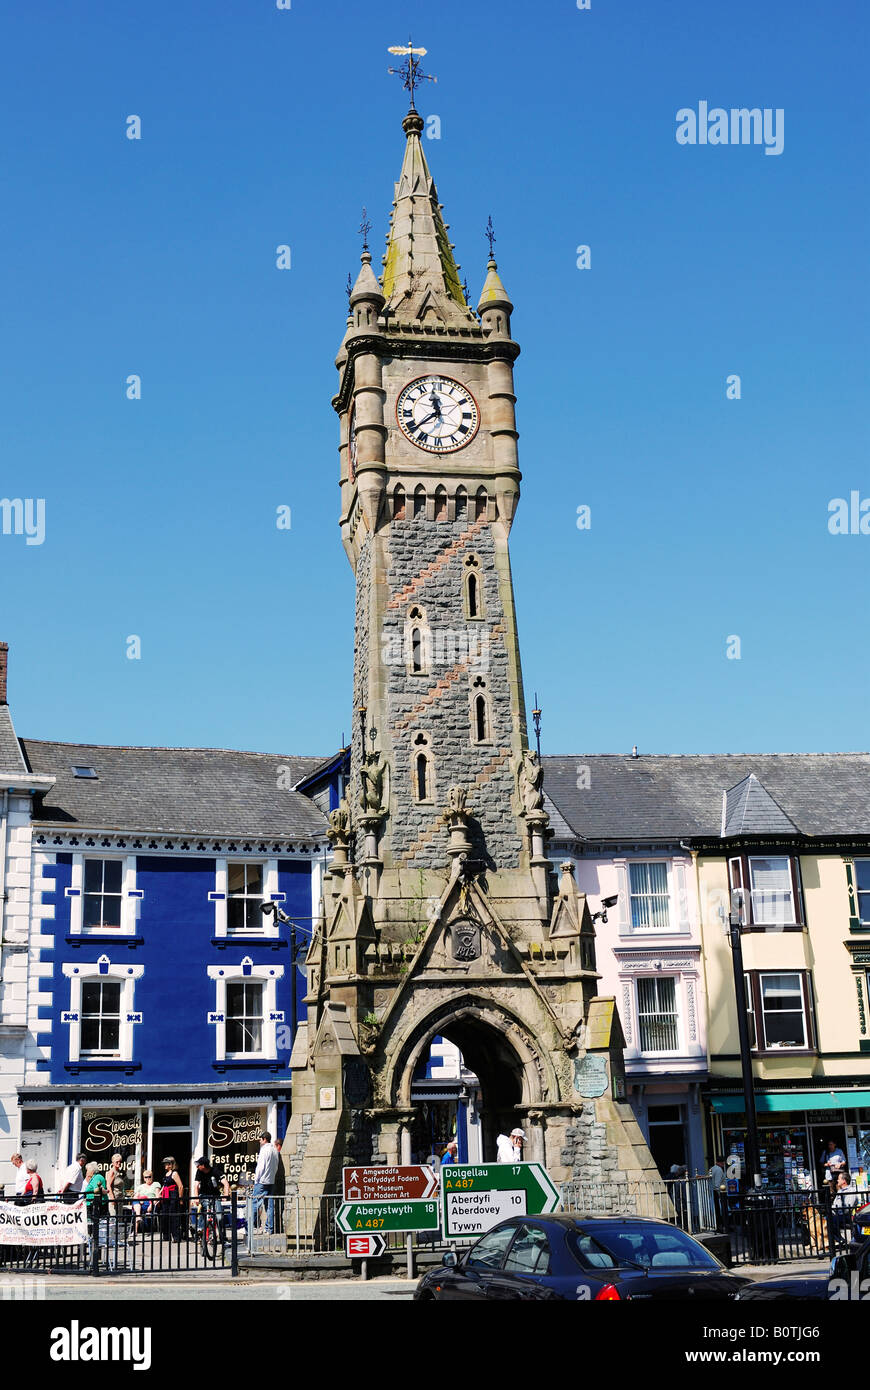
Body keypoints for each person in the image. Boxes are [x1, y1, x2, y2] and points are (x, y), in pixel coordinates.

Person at [193, 1156, 225, 1241]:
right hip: (204, 1195)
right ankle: (200, 1233)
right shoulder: (199, 1171)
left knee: (219, 1217)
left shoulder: (215, 1171)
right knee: (204, 1214)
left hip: (215, 1196)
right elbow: (196, 1185)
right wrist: (196, 1198)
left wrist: (225, 1196)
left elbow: (225, 1183)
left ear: (203, 1165)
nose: (197, 1166)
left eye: (198, 1165)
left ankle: (223, 1238)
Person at [252, 1131, 279, 1234]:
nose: (259, 1141)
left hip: (262, 1181)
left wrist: (256, 1180)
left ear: (264, 1139)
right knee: (270, 1206)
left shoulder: (264, 1150)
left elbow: (260, 1167)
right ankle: (269, 1229)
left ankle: (251, 1227)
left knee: (254, 1204)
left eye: (260, 1139)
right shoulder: (275, 1150)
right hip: (271, 1181)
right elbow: (276, 1166)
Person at [159, 1156, 184, 1243]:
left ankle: (176, 1236)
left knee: (174, 1216)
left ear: (170, 1164)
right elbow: (165, 1185)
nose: (164, 1165)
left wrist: (180, 1198)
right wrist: (160, 1193)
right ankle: (166, 1236)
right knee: (165, 1215)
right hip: (166, 1196)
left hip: (173, 1195)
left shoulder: (174, 1173)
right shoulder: (166, 1174)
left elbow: (180, 1186)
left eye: (166, 1163)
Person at [133, 1169, 161, 1233]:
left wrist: (151, 1204)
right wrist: (140, 1200)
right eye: (146, 1177)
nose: (148, 1178)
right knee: (135, 1201)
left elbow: (157, 1196)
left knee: (136, 1205)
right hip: (140, 1204)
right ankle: (137, 1224)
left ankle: (137, 1221)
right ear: (144, 1178)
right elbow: (135, 1196)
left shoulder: (155, 1184)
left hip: (150, 1203)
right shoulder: (141, 1186)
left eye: (149, 1176)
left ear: (152, 1177)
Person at [105, 1152, 127, 1217]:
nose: (119, 1163)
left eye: (120, 1161)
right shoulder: (112, 1172)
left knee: (120, 1217)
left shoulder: (119, 1171)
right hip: (114, 1197)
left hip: (120, 1197)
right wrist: (112, 1198)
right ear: (113, 1163)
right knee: (113, 1217)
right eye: (117, 1162)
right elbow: (108, 1185)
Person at [708, 1157, 726, 1233]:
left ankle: (718, 1226)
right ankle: (721, 1227)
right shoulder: (719, 1170)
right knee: (720, 1210)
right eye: (723, 1163)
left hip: (712, 1191)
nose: (724, 1164)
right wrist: (720, 1194)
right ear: (721, 1162)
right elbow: (717, 1184)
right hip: (717, 1192)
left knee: (716, 1210)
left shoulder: (712, 1168)